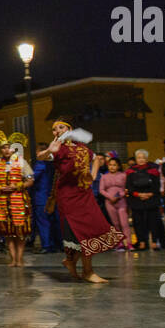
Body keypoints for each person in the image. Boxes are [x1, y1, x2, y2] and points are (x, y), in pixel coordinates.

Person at [38, 120, 123, 282]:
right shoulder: (58, 148)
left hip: (85, 194)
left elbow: (96, 158)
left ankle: (72, 262)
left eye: (61, 127)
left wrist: (93, 175)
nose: (57, 131)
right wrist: (49, 150)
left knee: (93, 228)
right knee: (80, 232)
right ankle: (87, 271)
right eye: (54, 130)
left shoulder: (83, 148)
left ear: (70, 129)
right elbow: (41, 157)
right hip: (68, 196)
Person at [0, 137, 33, 267]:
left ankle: (20, 258)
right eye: (3, 147)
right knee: (7, 231)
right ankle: (13, 259)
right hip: (2, 201)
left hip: (18, 200)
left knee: (20, 230)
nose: (6, 150)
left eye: (8, 147)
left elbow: (30, 180)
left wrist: (18, 186)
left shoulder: (21, 162)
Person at [125, 150, 164, 251]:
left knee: (153, 221)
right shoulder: (130, 171)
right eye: (139, 157)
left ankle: (155, 242)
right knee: (138, 222)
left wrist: (150, 194)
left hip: (152, 198)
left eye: (143, 157)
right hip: (136, 199)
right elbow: (128, 186)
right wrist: (138, 194)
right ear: (136, 159)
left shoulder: (154, 170)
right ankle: (142, 242)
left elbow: (157, 185)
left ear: (146, 159)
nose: (141, 159)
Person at [98, 155, 132, 251]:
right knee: (115, 224)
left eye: (114, 165)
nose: (112, 167)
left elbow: (126, 189)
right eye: (110, 165)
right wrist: (110, 197)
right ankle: (119, 243)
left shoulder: (123, 175)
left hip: (121, 201)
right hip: (109, 202)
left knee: (124, 223)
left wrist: (118, 196)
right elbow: (101, 190)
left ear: (118, 166)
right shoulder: (104, 177)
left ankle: (128, 243)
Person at [31, 144, 60, 254]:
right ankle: (57, 244)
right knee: (54, 221)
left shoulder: (40, 164)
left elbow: (33, 178)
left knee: (43, 222)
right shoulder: (54, 164)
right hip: (54, 197)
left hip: (42, 197)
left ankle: (47, 245)